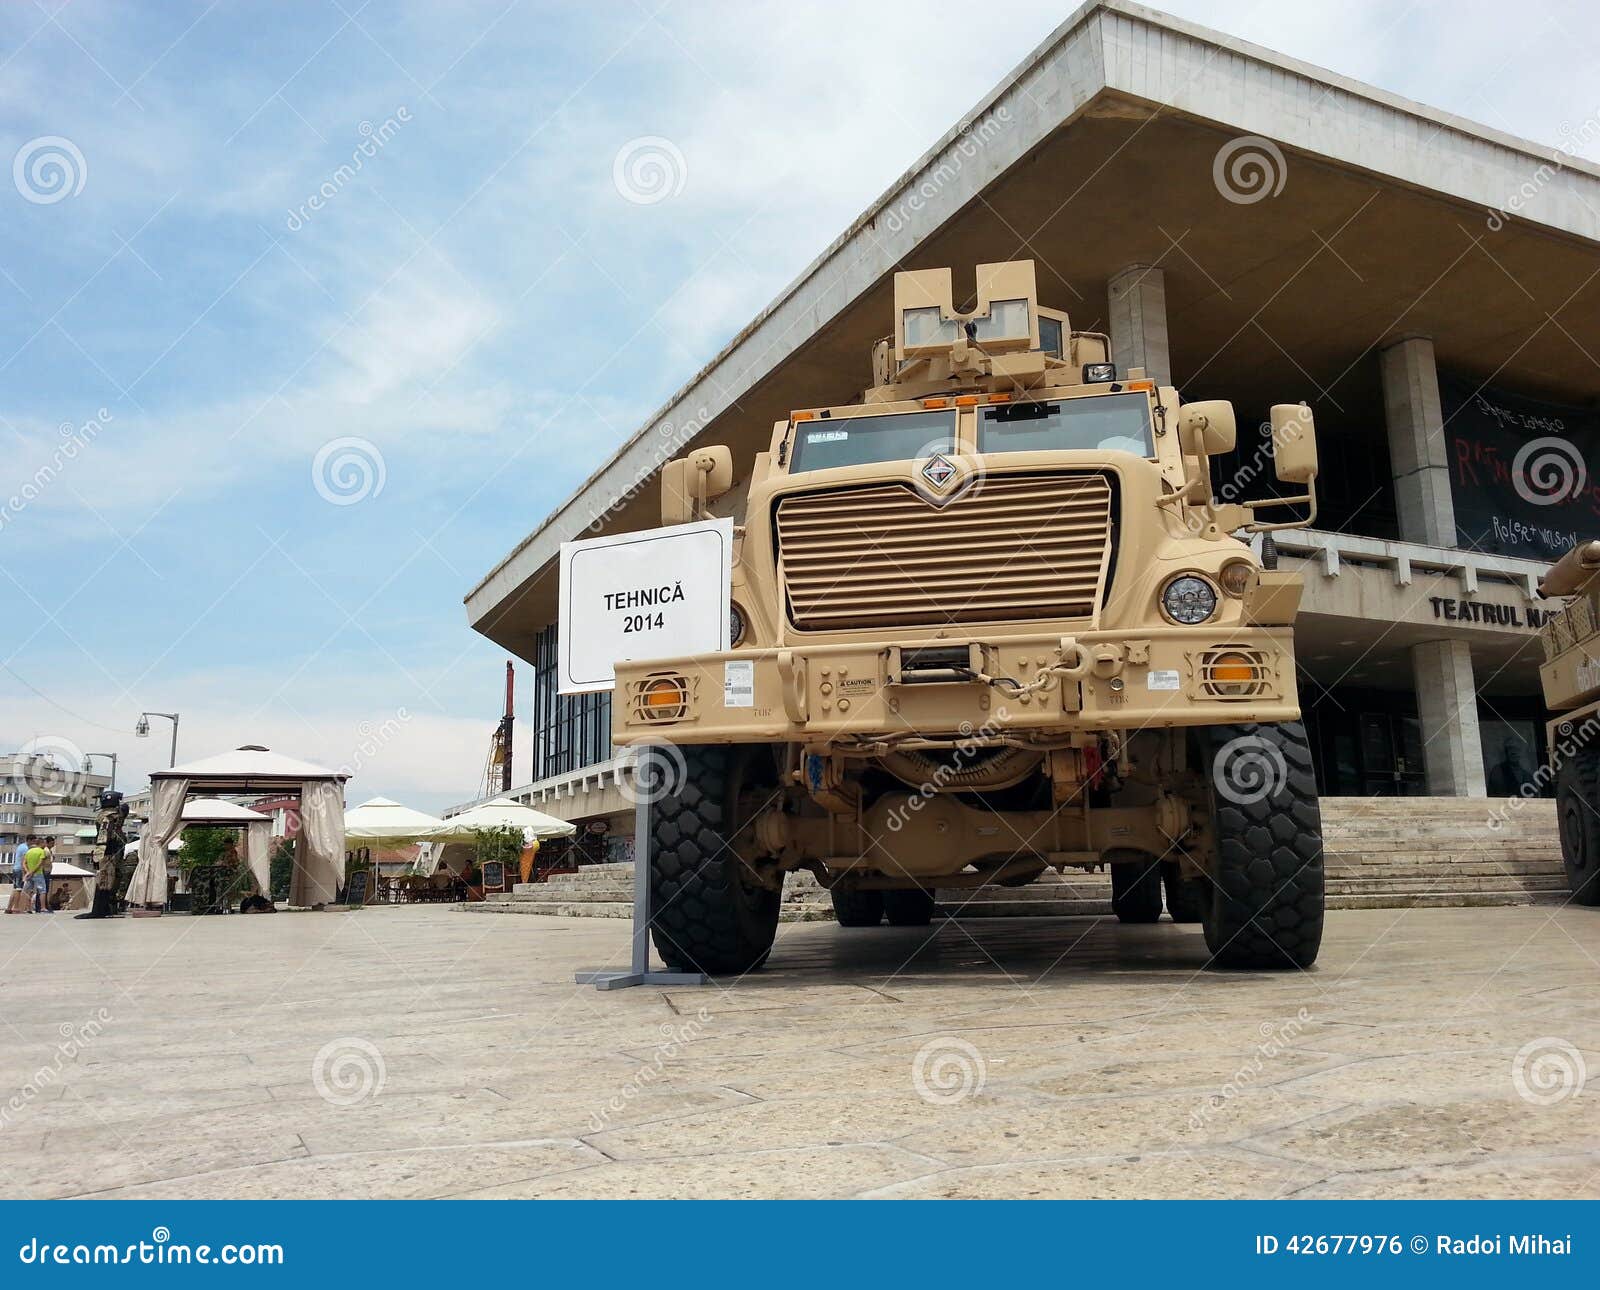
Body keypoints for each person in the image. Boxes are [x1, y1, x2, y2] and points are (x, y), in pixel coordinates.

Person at [23, 838, 48, 913]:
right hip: (38, 873)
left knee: (29, 891)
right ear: (41, 843)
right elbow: (40, 863)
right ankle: (43, 908)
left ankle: (28, 908)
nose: (45, 845)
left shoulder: (29, 851)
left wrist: (28, 872)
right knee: (42, 890)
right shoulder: (41, 851)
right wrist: (32, 872)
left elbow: (24, 863)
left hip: (29, 874)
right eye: (44, 843)